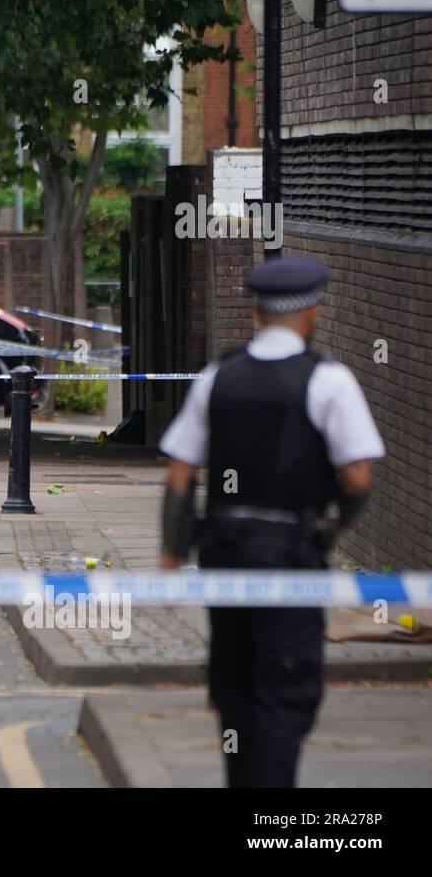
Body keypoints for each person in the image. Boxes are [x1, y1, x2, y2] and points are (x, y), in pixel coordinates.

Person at [159, 256, 385, 788]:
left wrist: (172, 554)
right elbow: (357, 477)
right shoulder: (328, 380)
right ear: (312, 312)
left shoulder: (219, 376)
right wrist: (332, 531)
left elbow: (180, 474)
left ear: (255, 311)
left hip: (225, 553)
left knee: (235, 684)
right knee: (286, 690)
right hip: (291, 556)